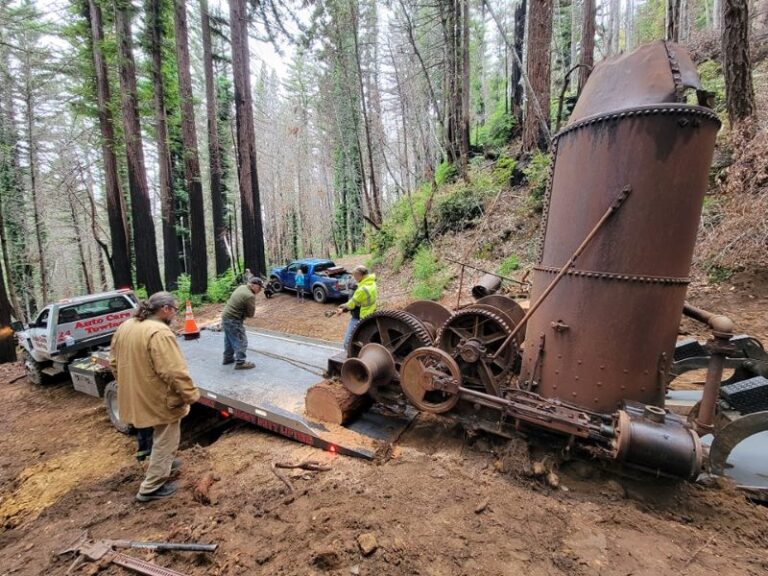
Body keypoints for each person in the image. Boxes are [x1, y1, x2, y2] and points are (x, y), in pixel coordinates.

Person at [109, 292, 200, 502]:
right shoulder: (159, 332)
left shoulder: (127, 325)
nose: (175, 315)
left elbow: (113, 362)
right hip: (158, 397)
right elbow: (173, 371)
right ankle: (150, 488)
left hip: (136, 392)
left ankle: (163, 462)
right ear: (165, 309)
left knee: (157, 434)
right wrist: (190, 394)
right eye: (175, 310)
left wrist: (129, 384)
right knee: (166, 436)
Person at [222, 275, 263, 369]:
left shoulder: (242, 287)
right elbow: (250, 314)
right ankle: (240, 363)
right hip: (233, 319)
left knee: (229, 339)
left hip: (226, 317)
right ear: (253, 285)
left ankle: (227, 358)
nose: (260, 290)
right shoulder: (249, 296)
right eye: (259, 287)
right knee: (241, 340)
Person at [337, 265, 377, 351]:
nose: (354, 278)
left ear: (360, 275)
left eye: (355, 276)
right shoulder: (372, 283)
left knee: (347, 343)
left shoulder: (361, 289)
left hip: (359, 316)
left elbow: (351, 304)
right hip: (370, 315)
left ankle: (352, 360)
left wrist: (342, 308)